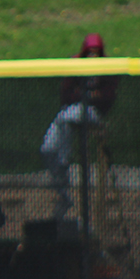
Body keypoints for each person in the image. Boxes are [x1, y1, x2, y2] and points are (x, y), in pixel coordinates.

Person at [39, 33, 119, 221]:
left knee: (71, 116)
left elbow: (107, 98)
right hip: (68, 112)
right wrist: (89, 95)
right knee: (47, 149)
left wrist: (83, 95)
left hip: (92, 114)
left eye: (96, 53)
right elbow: (66, 95)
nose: (93, 56)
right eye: (89, 52)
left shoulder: (108, 67)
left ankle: (65, 159)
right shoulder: (75, 63)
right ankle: (62, 186)